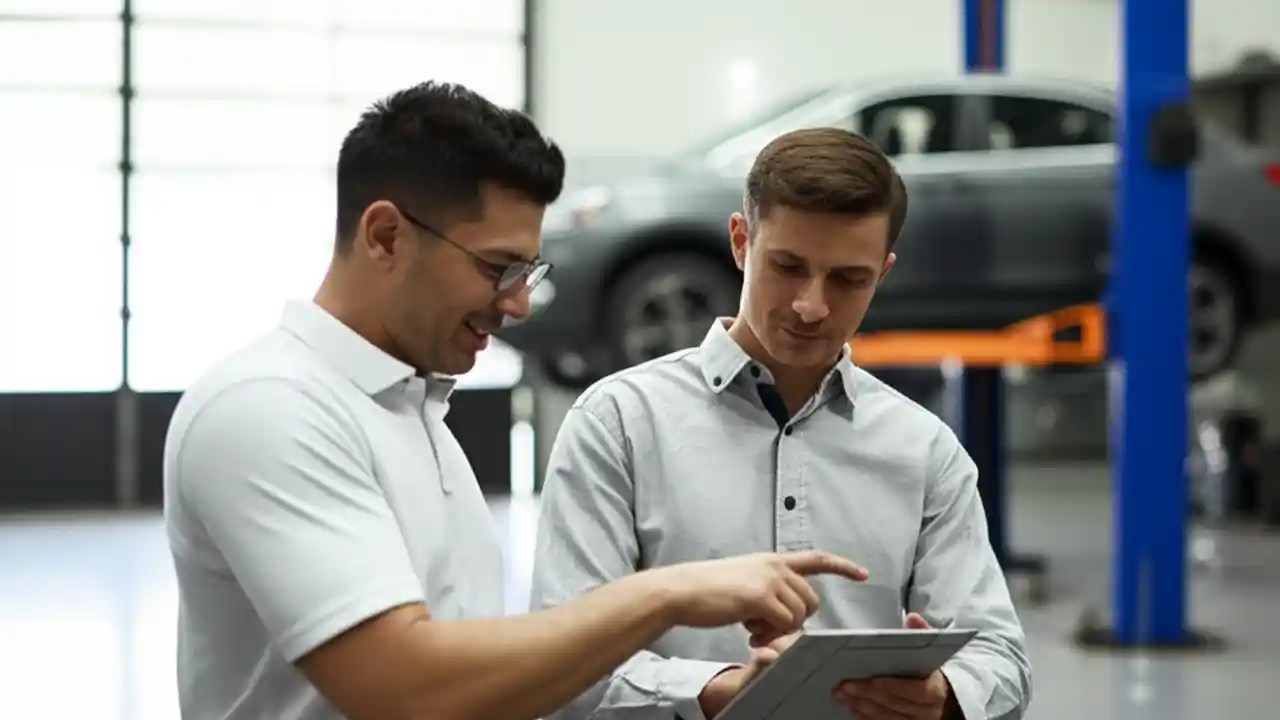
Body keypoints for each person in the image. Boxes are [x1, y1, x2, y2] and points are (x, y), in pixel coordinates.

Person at [161, 82, 871, 720]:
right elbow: (404, 690)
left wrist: (723, 686)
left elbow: (482, 678)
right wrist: (666, 595)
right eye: (498, 267)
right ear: (384, 237)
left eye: (528, 271)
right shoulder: (270, 410)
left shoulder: (410, 412)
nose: (520, 303)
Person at [529, 127, 1033, 720]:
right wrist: (720, 690)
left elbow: (1001, 659)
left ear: (883, 272)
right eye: (788, 267)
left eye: (848, 279)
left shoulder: (923, 451)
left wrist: (943, 693)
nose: (811, 305)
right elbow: (559, 666)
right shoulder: (617, 426)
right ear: (740, 241)